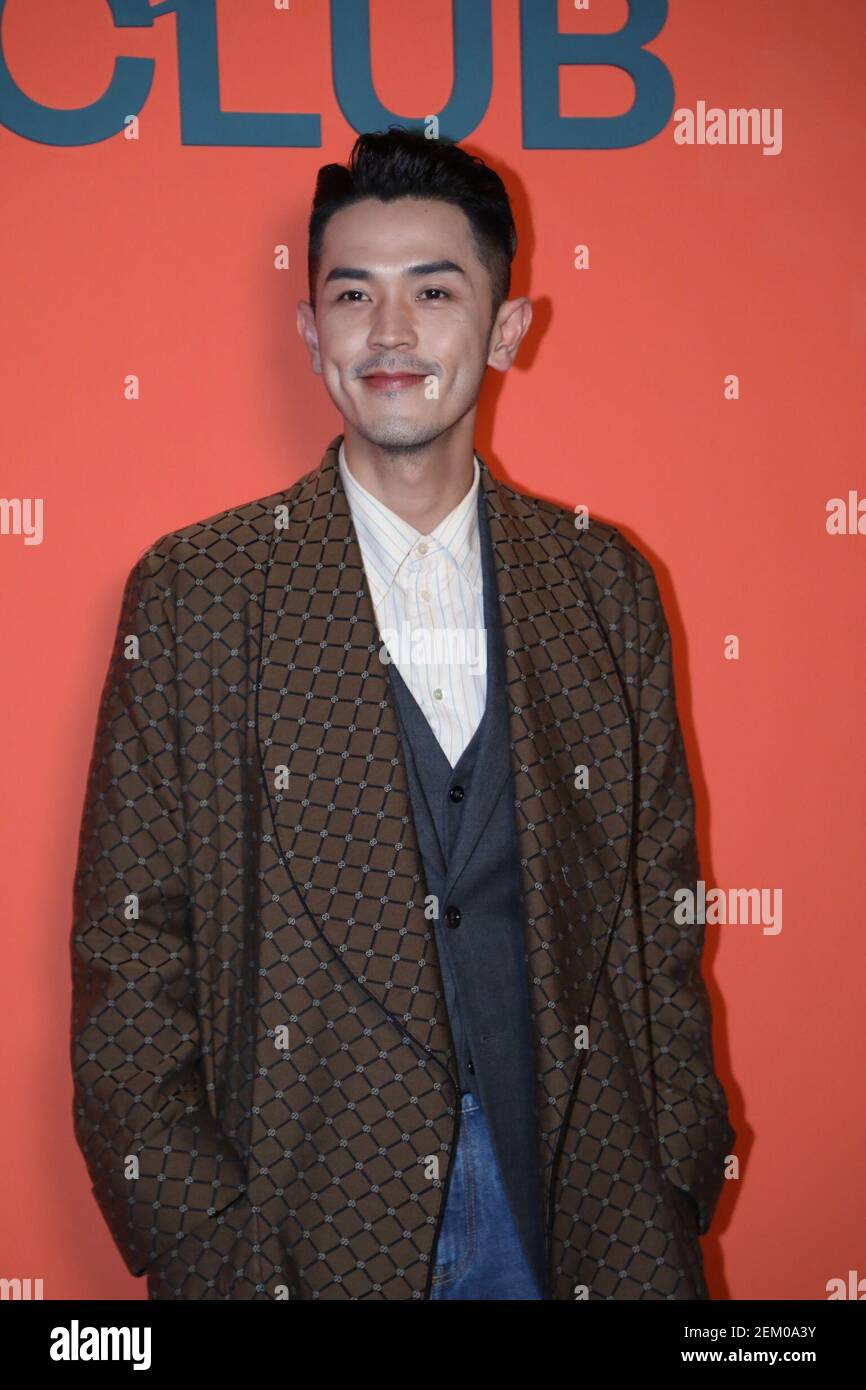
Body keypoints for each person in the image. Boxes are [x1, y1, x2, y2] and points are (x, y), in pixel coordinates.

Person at [70, 125, 735, 1301]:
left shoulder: (600, 582)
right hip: (301, 1228)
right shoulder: (197, 593)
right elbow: (131, 951)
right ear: (308, 333)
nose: (389, 333)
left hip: (584, 1217)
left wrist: (673, 1166)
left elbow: (656, 908)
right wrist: (202, 1244)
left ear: (505, 327)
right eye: (351, 295)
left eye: (433, 290)